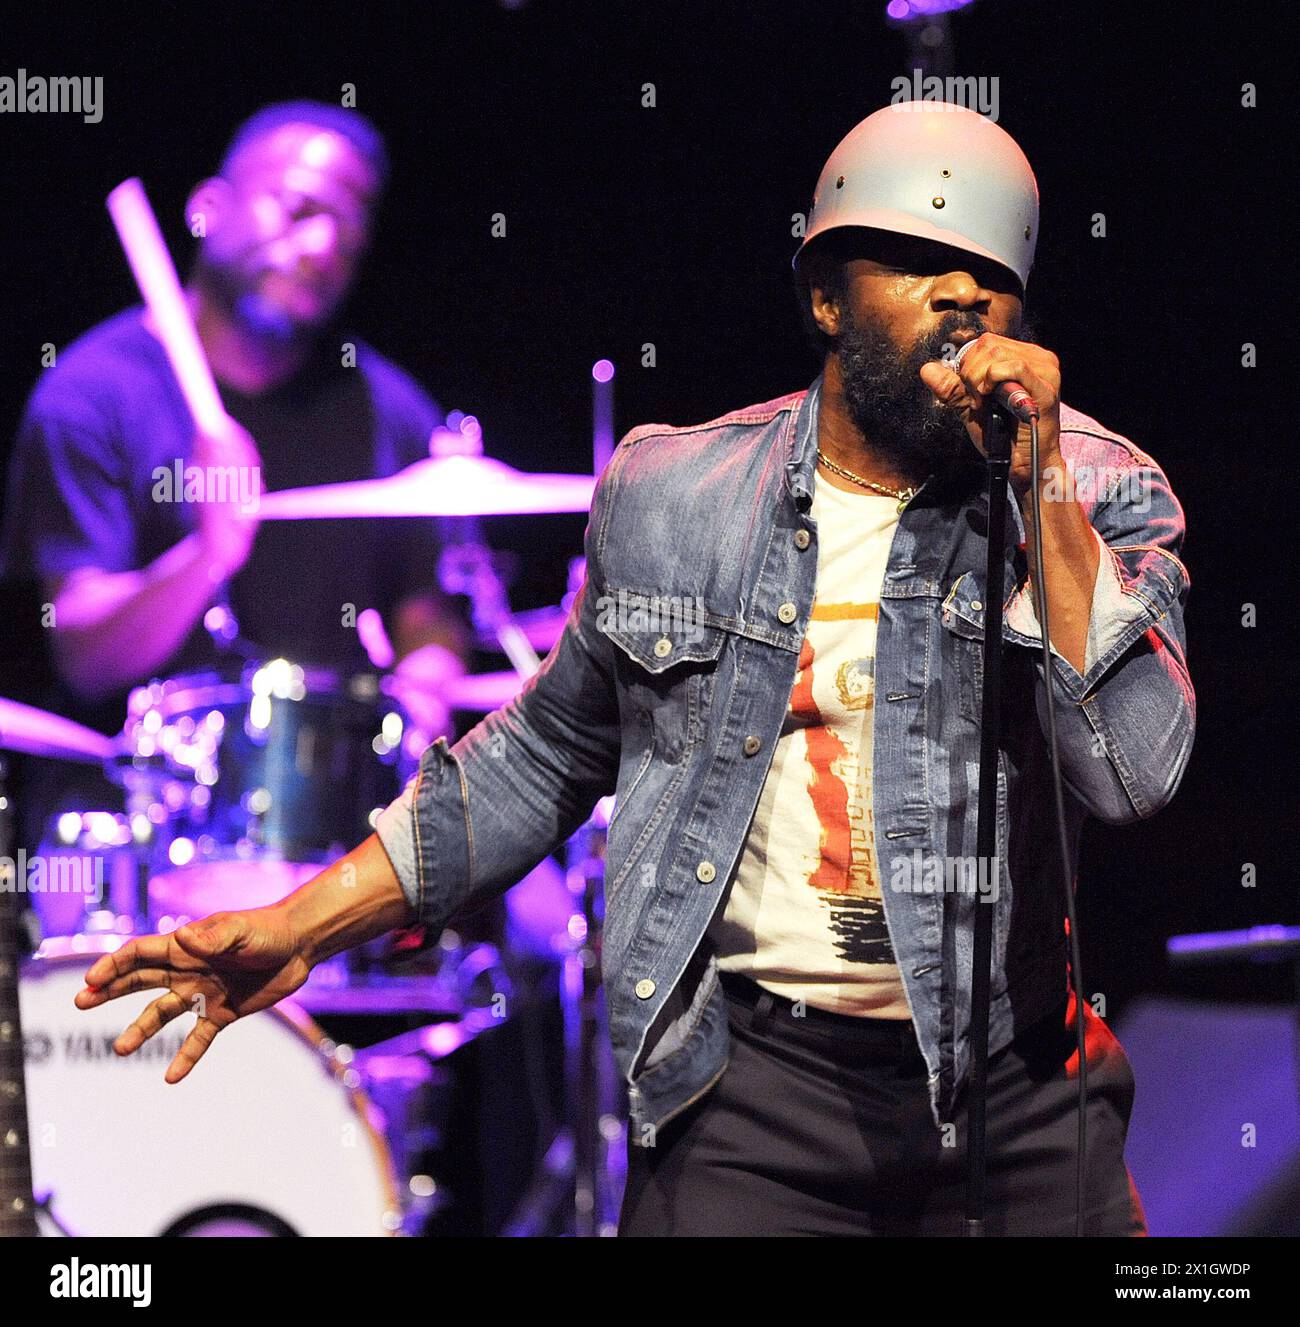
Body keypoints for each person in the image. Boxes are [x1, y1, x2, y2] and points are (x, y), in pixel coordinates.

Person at [77, 103, 1194, 1236]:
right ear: (823, 295)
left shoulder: (1099, 492)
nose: (959, 297)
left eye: (986, 273)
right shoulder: (673, 496)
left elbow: (1132, 772)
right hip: (757, 1099)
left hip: (1013, 1090)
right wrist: (296, 924)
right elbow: (538, 757)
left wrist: (1038, 477)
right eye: (911, 263)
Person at [1, 101, 464, 931]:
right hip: (131, 853)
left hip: (336, 859)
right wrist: (206, 554)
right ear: (209, 207)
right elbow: (82, 652)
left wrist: (421, 705)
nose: (324, 247)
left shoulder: (387, 413)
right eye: (300, 209)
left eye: (350, 233)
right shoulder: (92, 395)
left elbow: (428, 623)